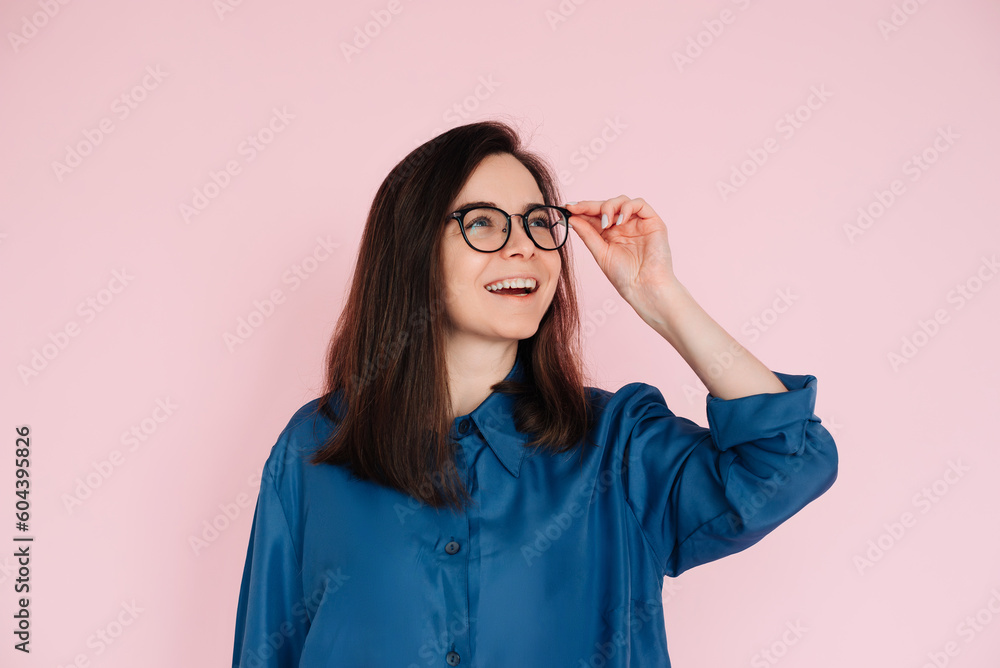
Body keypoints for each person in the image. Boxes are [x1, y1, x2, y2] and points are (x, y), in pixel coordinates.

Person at [231, 119, 838, 667]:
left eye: (538, 224)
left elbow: (785, 461)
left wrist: (659, 296)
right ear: (412, 250)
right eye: (484, 224)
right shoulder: (316, 447)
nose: (522, 246)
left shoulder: (617, 444)